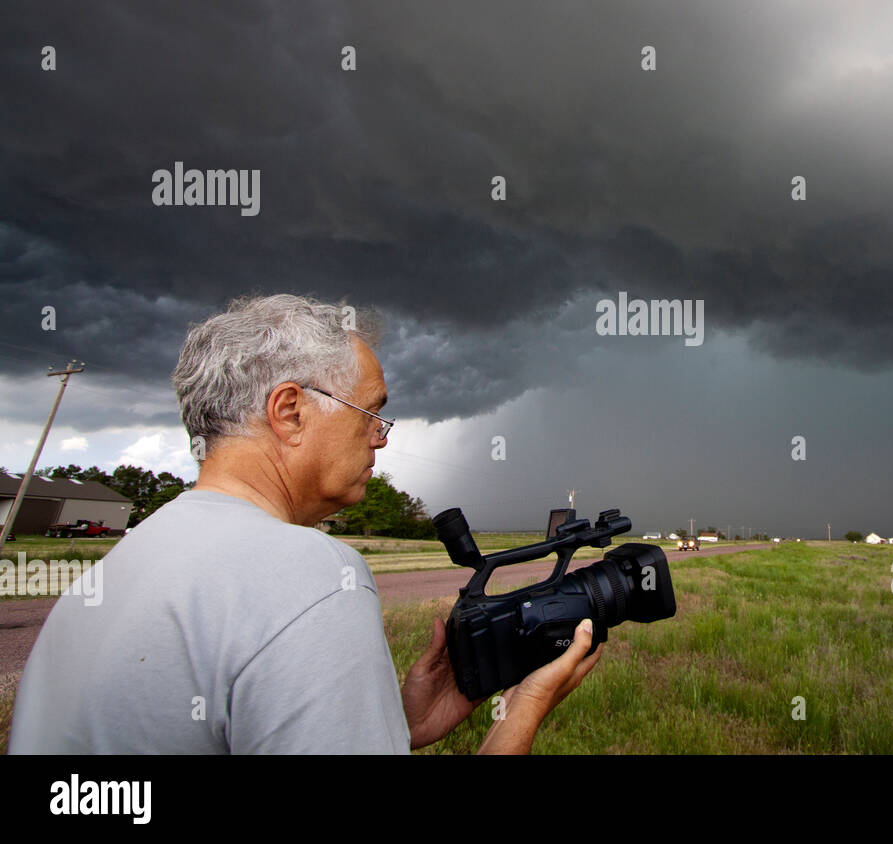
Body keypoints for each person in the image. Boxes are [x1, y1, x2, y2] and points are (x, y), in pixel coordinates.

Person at [9, 294, 600, 753]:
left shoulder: (127, 562)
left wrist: (393, 725)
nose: (381, 437)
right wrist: (524, 708)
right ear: (289, 411)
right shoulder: (312, 574)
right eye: (371, 412)